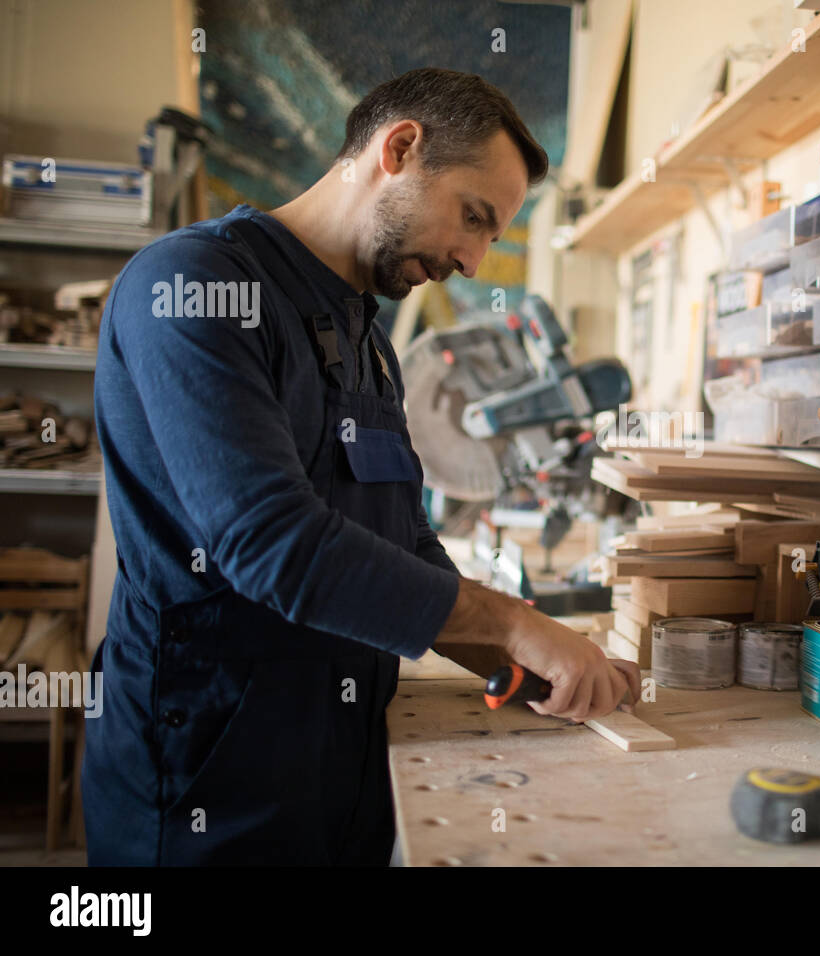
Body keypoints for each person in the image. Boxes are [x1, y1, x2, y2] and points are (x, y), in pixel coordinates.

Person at [84, 67, 639, 865]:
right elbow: (271, 542)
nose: (476, 261)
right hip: (207, 778)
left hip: (346, 769)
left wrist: (522, 660)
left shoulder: (370, 340)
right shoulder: (194, 286)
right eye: (473, 218)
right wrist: (516, 622)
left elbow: (406, 539)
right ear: (400, 147)